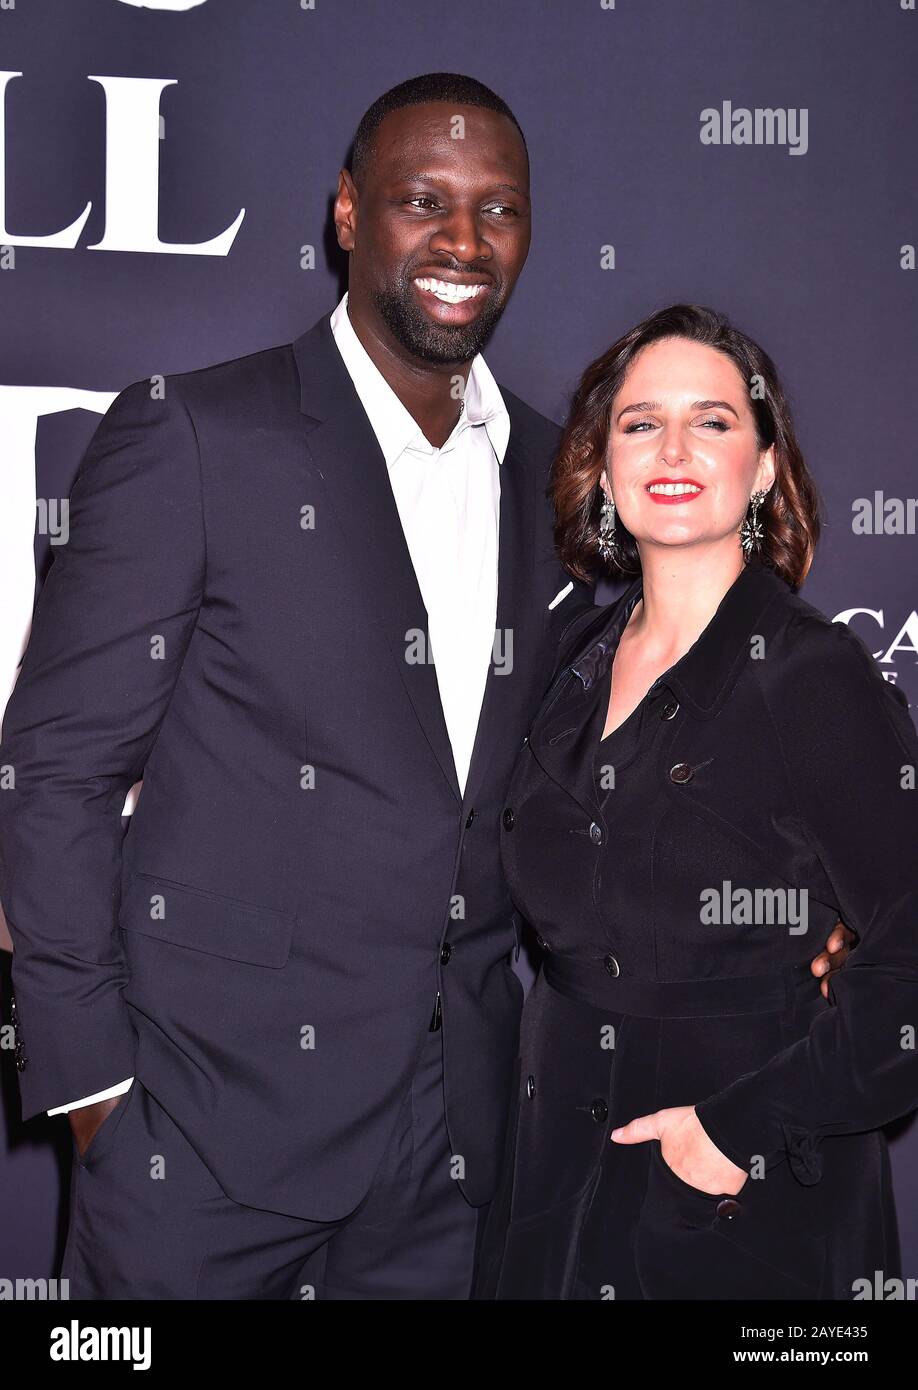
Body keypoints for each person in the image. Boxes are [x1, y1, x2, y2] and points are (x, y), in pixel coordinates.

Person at [0, 77, 850, 1300]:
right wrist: (93, 1095)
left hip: (455, 1168)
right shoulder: (195, 436)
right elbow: (57, 777)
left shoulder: (560, 486)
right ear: (349, 214)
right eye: (422, 201)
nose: (462, 241)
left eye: (497, 208)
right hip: (197, 1147)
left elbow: (627, 752)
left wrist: (808, 902)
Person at [475, 303, 918, 1301]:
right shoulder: (571, 659)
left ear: (762, 466)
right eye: (641, 422)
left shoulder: (815, 676)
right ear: (603, 460)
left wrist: (744, 1128)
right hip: (553, 1182)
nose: (673, 447)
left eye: (713, 420)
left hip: (741, 1202)